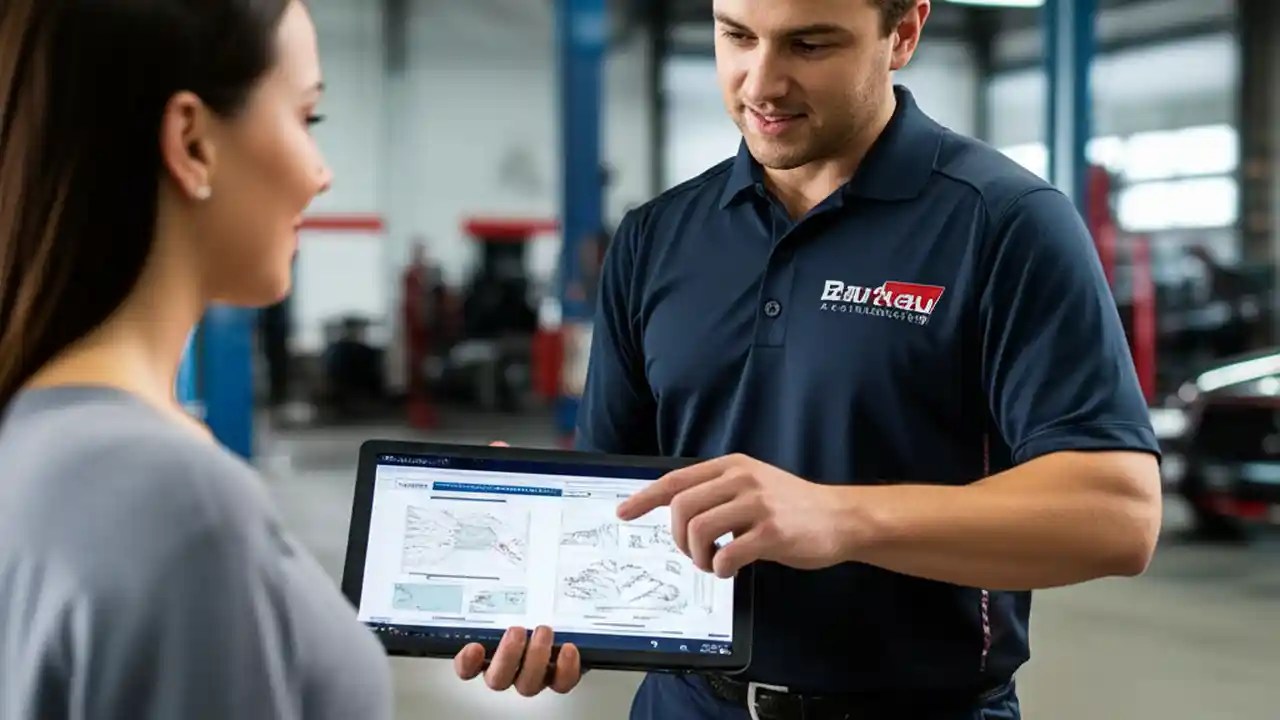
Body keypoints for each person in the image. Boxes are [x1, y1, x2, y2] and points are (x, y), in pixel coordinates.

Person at [454, 0, 1163, 718]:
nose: (761, 83)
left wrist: (840, 518)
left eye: (810, 44)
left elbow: (1116, 515)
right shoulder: (656, 237)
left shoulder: (1005, 223)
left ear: (904, 34)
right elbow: (622, 501)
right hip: (685, 704)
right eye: (736, 36)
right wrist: (537, 564)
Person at [0, 2, 394, 718]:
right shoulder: (176, 500)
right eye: (309, 120)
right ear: (192, 142)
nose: (320, 173)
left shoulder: (36, 435)